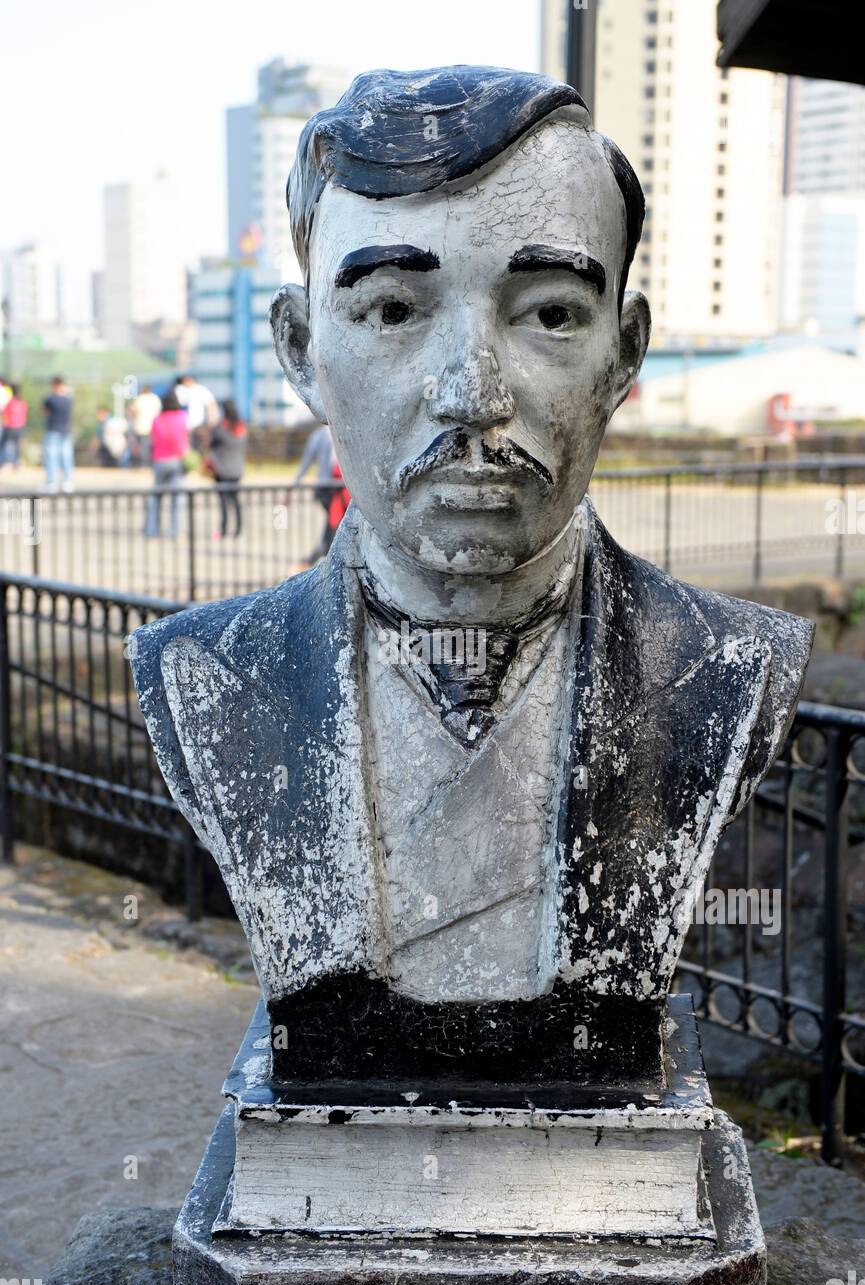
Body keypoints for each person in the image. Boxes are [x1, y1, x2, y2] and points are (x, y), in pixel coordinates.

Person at [130, 66, 812, 1031]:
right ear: (298, 349)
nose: (472, 393)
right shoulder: (202, 673)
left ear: (623, 354)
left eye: (548, 313)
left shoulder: (728, 667)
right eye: (394, 311)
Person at [144, 389, 188, 538]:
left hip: (160, 460)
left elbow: (153, 439)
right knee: (177, 498)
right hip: (177, 460)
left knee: (156, 497)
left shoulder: (157, 419)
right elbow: (185, 439)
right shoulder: (182, 417)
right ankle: (174, 530)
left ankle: (151, 529)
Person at [290, 422, 337, 561]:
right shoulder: (333, 434)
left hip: (325, 486)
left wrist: (294, 484)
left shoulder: (318, 436)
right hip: (333, 487)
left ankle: (321, 553)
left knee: (333, 523)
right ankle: (321, 553)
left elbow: (306, 463)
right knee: (333, 523)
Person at [205, 399, 247, 538]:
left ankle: (223, 530)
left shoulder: (220, 429)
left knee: (223, 501)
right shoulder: (241, 428)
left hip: (222, 469)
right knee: (235, 500)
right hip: (237, 468)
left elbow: (210, 443)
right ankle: (238, 530)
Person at [42, 376, 75, 492]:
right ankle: (67, 482)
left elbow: (43, 411)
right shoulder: (69, 399)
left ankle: (52, 482)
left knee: (51, 457)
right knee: (66, 457)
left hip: (52, 431)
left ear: (54, 385)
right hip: (66, 430)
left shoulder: (50, 399)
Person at [175, 373, 218, 453]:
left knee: (199, 447)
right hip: (183, 426)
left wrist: (212, 419)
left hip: (197, 425)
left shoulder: (200, 390)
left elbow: (211, 404)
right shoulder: (180, 390)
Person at [128, 384, 162, 465]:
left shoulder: (140, 399)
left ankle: (145, 464)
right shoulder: (155, 398)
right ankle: (153, 463)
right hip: (155, 427)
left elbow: (133, 412)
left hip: (142, 427)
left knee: (144, 448)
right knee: (153, 447)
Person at [1, 384, 28, 468]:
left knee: (3, 444)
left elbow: (4, 413)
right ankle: (17, 462)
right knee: (17, 445)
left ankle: (2, 462)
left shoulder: (10, 402)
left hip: (10, 426)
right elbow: (25, 414)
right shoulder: (22, 402)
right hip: (20, 426)